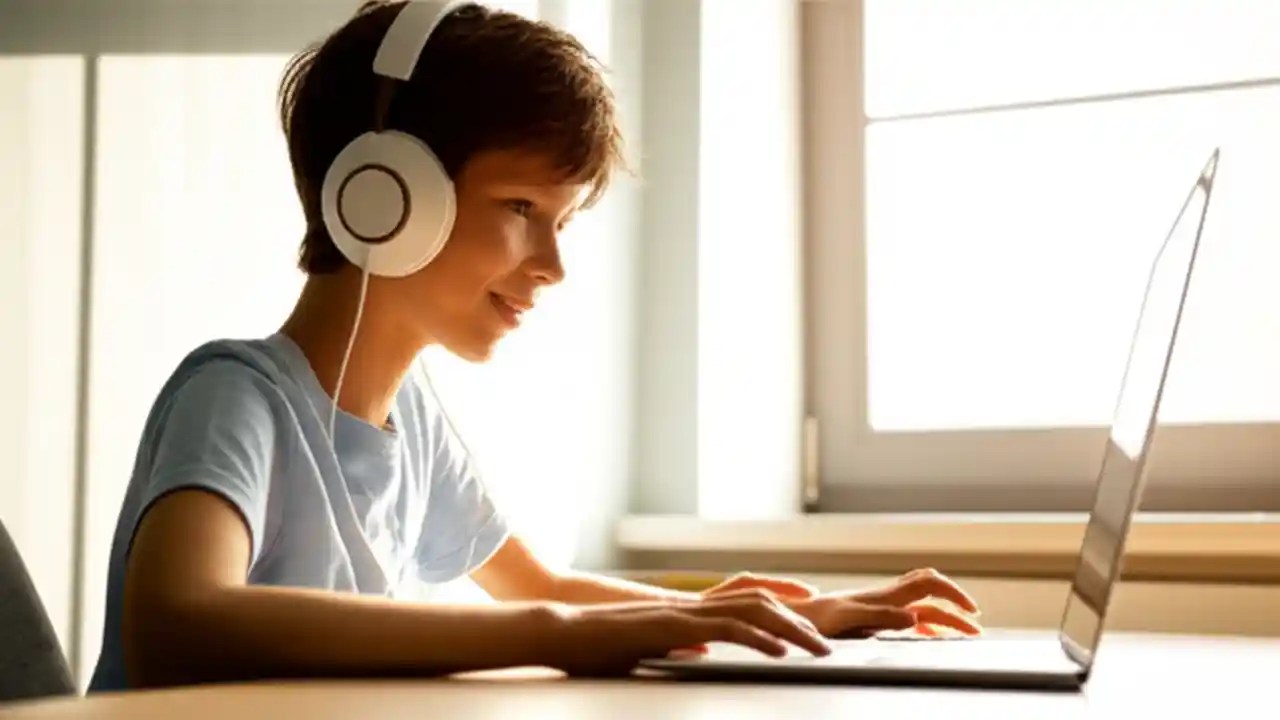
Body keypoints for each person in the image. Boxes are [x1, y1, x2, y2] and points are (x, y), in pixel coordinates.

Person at [88, 1, 980, 692]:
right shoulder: (236, 395)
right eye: (521, 210)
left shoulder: (413, 419)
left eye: (562, 222)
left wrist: (750, 613)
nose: (552, 265)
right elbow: (179, 621)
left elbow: (536, 585)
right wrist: (555, 634)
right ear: (384, 196)